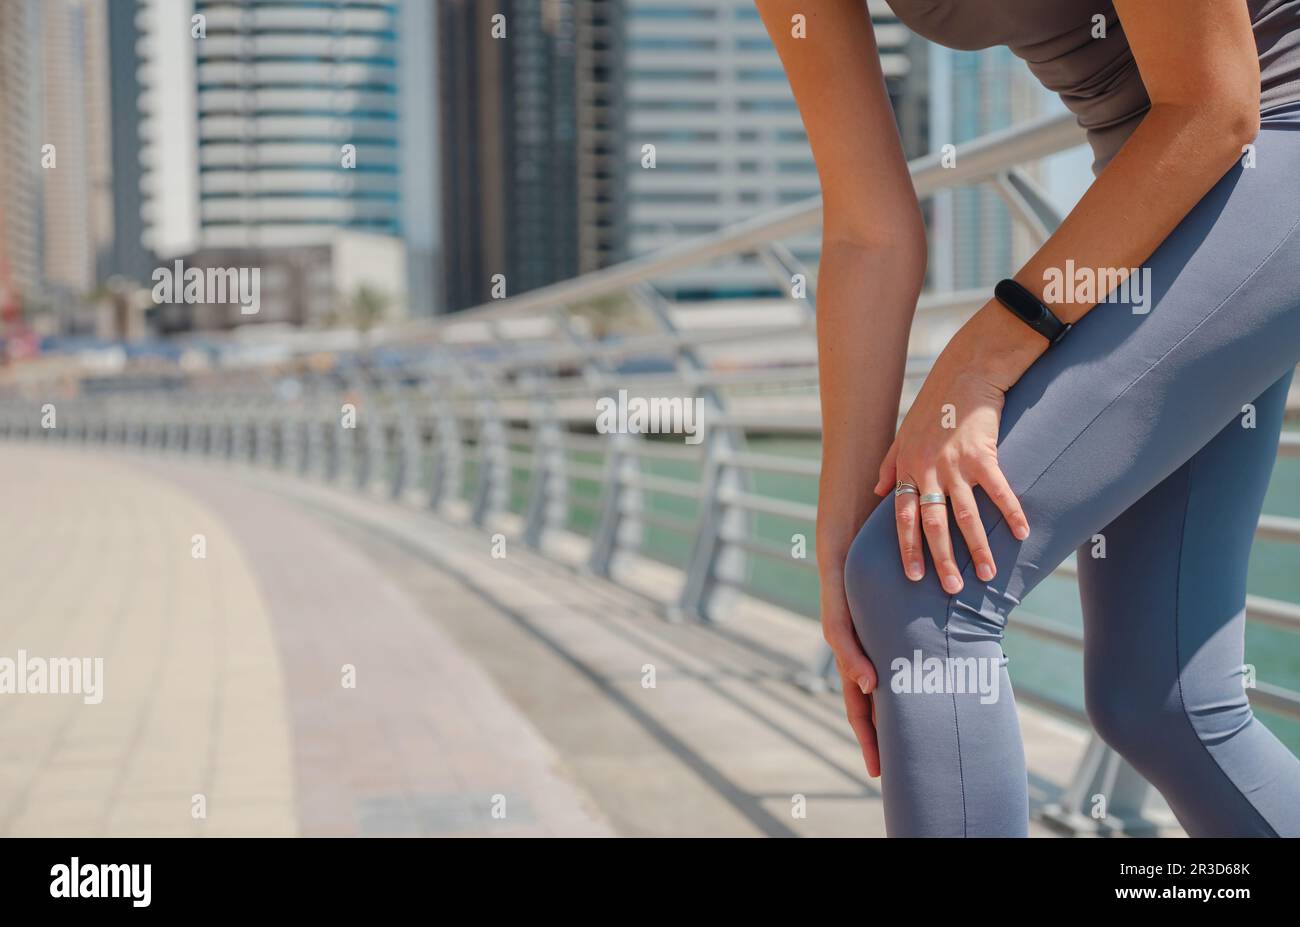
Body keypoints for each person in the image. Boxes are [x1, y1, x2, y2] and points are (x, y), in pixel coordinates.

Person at [755, 0, 1300, 836]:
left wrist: (983, 356)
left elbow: (1217, 103)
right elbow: (868, 232)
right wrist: (838, 538)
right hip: (1158, 186)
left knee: (924, 588)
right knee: (1159, 699)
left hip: (1266, 133)